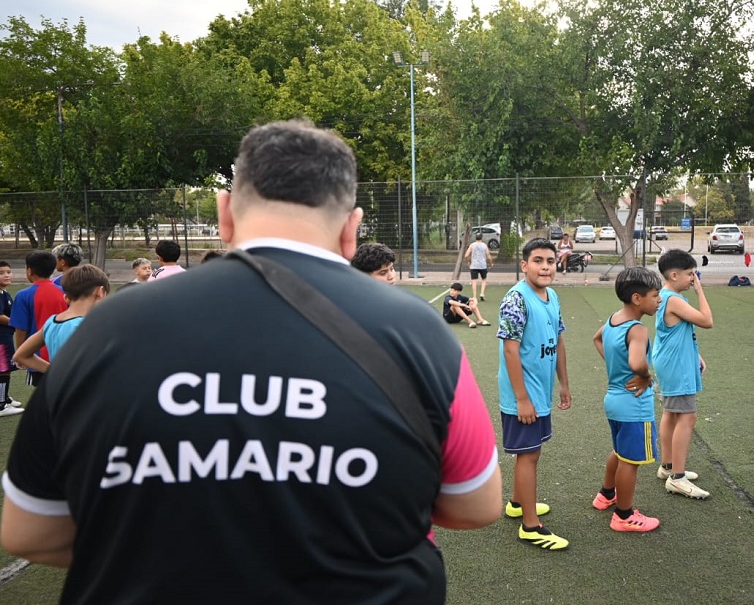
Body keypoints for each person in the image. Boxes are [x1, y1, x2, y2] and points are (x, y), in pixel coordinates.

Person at [1, 119, 501, 604]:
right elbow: (474, 504)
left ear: (225, 213)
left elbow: (29, 531)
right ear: (352, 228)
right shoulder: (419, 332)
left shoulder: (105, 327)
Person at [497, 238, 571, 551]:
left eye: (550, 261)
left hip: (541, 391)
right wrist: (522, 399)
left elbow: (558, 340)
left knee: (532, 452)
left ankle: (517, 503)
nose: (545, 267)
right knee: (528, 455)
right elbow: (510, 351)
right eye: (538, 261)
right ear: (524, 265)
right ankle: (530, 526)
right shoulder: (516, 299)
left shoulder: (552, 296)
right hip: (523, 396)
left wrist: (563, 383)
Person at [591, 267, 663, 532]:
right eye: (655, 295)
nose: (659, 300)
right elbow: (636, 362)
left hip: (614, 400)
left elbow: (597, 338)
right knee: (630, 461)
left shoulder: (614, 319)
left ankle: (605, 495)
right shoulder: (638, 329)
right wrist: (645, 375)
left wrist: (614, 366)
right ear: (637, 298)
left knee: (620, 452)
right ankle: (624, 515)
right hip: (634, 403)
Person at [652, 249, 713, 500]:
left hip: (671, 361)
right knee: (687, 416)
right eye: (690, 274)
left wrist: (696, 355)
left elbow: (677, 331)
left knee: (672, 413)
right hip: (676, 365)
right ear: (674, 275)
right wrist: (700, 291)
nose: (693, 279)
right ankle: (677, 478)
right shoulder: (674, 299)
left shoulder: (665, 296)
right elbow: (707, 320)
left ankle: (668, 467)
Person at [13, 265, 110, 373]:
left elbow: (20, 355)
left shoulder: (51, 323)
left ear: (66, 298)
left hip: (60, 383)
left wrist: (54, 373)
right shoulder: (87, 327)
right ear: (100, 292)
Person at [9, 251, 68, 389]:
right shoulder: (65, 293)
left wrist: (21, 353)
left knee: (42, 394)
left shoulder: (23, 295)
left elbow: (21, 329)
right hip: (63, 354)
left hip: (37, 358)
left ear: (29, 271)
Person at [0, 261, 23, 417]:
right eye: (2, 273)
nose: (7, 275)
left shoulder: (4, 293)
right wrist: (17, 323)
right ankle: (1, 405)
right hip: (1, 338)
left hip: (6, 336)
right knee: (3, 370)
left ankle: (5, 398)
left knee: (6, 368)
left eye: (8, 272)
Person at [465, 233, 492, 300]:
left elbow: (466, 255)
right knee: (484, 279)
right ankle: (482, 293)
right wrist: (491, 263)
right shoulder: (484, 245)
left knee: (474, 281)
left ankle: (474, 296)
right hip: (483, 265)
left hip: (474, 265)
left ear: (475, 238)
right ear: (481, 238)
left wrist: (468, 262)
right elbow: (488, 255)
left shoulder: (472, 245)